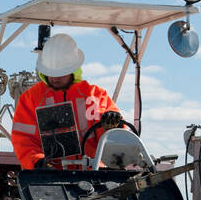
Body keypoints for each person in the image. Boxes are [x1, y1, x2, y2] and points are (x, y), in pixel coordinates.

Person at [11, 33, 126, 170]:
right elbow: (23, 140)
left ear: (73, 69)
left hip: (92, 175)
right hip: (50, 178)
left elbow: (118, 139)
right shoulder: (31, 98)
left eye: (60, 73)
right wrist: (37, 162)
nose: (54, 78)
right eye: (51, 73)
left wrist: (112, 126)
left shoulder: (96, 96)